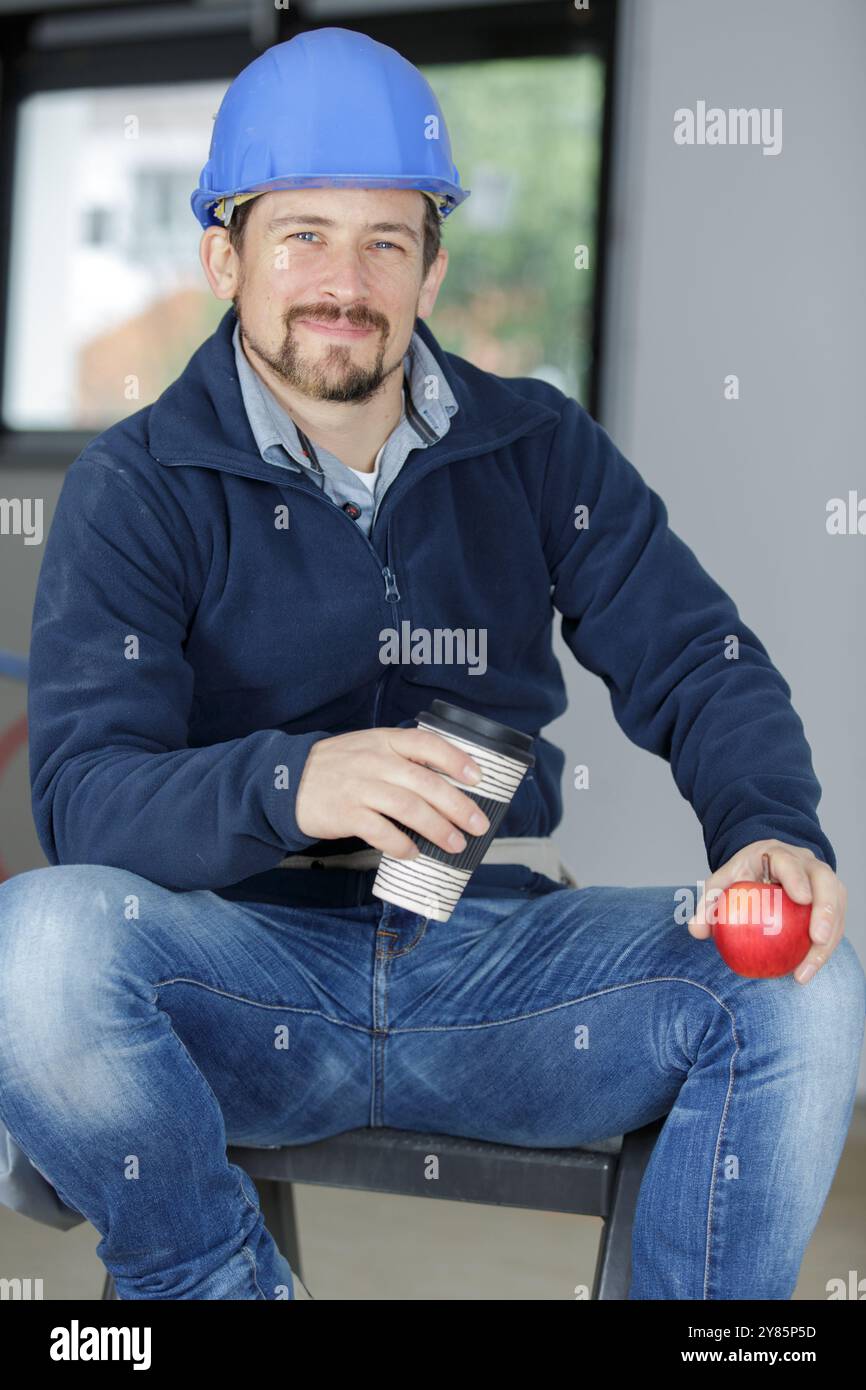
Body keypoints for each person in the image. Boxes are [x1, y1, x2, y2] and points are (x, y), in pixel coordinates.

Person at [0, 27, 862, 1302]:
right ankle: (218, 1288)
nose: (342, 280)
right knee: (35, 946)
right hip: (240, 972)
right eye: (301, 235)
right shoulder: (136, 486)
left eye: (385, 241)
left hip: (496, 964)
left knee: (795, 981)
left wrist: (771, 825)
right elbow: (87, 798)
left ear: (432, 265)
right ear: (222, 254)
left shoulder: (534, 451)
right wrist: (296, 781)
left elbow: (697, 655)